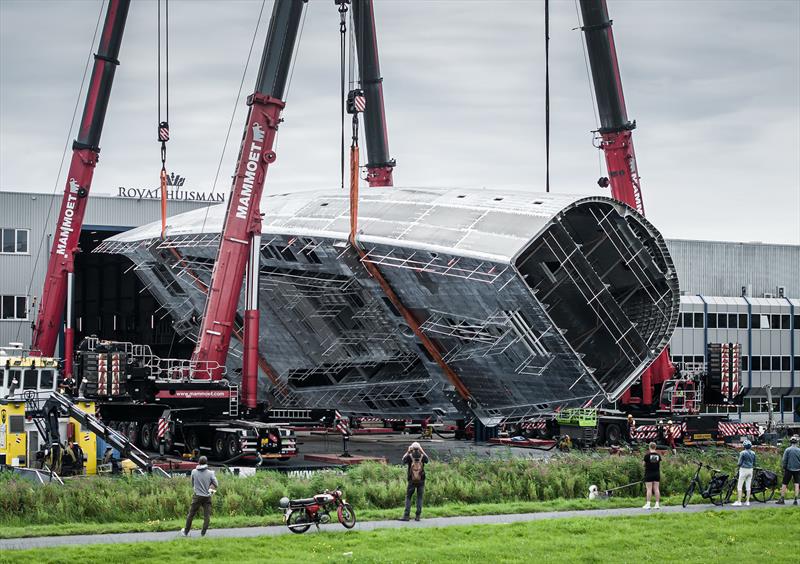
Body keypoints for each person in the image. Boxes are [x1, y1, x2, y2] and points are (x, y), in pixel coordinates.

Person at [181, 456, 219, 536]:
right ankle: (203, 533)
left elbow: (192, 483)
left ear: (198, 462)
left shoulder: (194, 472)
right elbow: (216, 484)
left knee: (191, 514)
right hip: (207, 496)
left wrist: (196, 489)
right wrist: (210, 489)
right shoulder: (210, 473)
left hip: (197, 496)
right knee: (206, 516)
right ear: (206, 462)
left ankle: (186, 532)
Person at [400, 442, 429, 521]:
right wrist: (422, 451)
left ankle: (406, 516)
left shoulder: (409, 456)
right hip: (421, 480)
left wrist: (408, 451)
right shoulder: (422, 456)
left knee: (408, 497)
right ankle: (418, 516)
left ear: (412, 448)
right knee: (419, 498)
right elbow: (427, 460)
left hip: (411, 480)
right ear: (419, 448)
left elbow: (403, 460)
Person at [776, 435, 800, 505]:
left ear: (790, 442)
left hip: (788, 469)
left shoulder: (787, 450)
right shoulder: (799, 450)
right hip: (797, 469)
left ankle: (782, 499)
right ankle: (795, 500)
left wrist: (784, 467)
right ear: (797, 442)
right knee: (796, 484)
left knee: (784, 483)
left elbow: (784, 460)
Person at [733, 439, 756, 506]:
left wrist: (738, 466)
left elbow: (739, 463)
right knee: (748, 486)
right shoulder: (753, 453)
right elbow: (754, 463)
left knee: (739, 486)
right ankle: (747, 502)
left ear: (744, 446)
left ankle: (739, 502)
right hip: (750, 470)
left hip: (743, 470)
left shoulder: (742, 453)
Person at [642, 442, 661, 510]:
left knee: (649, 489)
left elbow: (643, 464)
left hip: (649, 473)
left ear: (649, 447)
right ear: (655, 447)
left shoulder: (647, 455)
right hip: (656, 474)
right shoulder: (658, 455)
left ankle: (648, 504)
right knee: (656, 489)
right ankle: (657, 504)